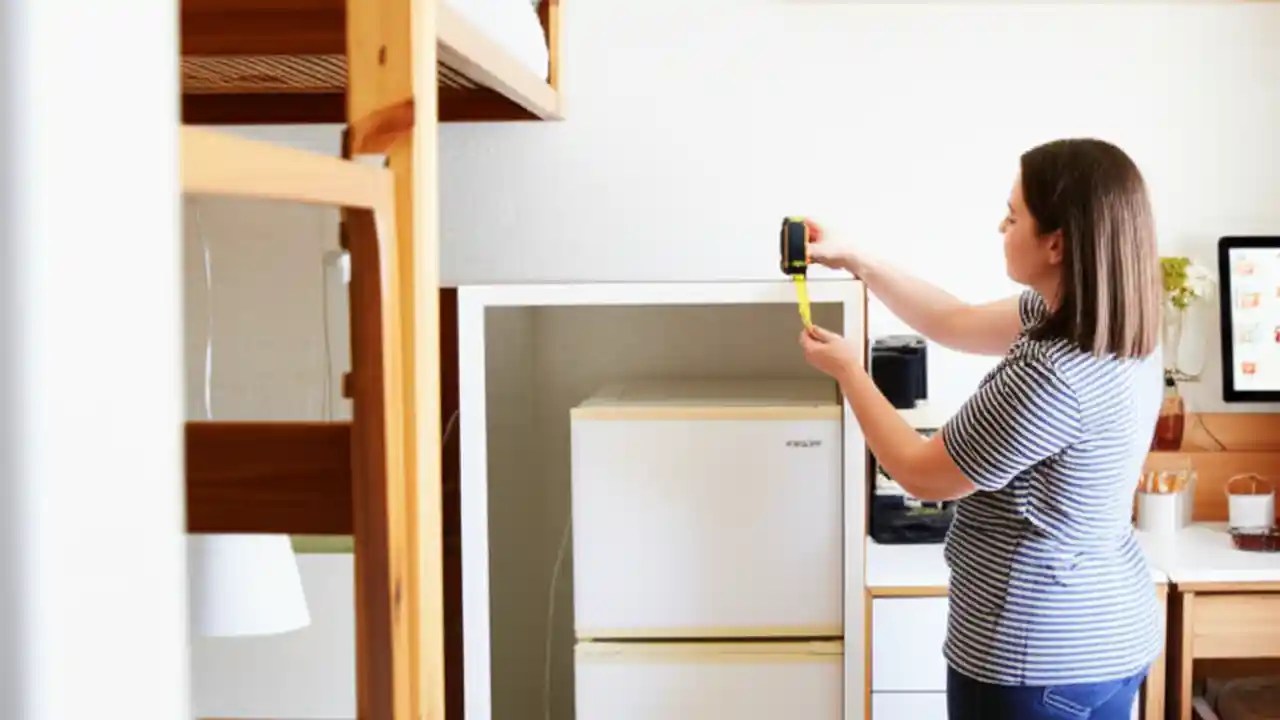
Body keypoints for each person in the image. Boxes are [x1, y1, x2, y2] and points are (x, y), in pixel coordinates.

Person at [799, 138, 1164, 720]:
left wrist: (849, 371)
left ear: (1056, 243)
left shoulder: (1052, 374)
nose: (1001, 224)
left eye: (1014, 215)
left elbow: (923, 475)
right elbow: (955, 321)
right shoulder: (1114, 327)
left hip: (1032, 658)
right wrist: (858, 261)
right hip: (1109, 640)